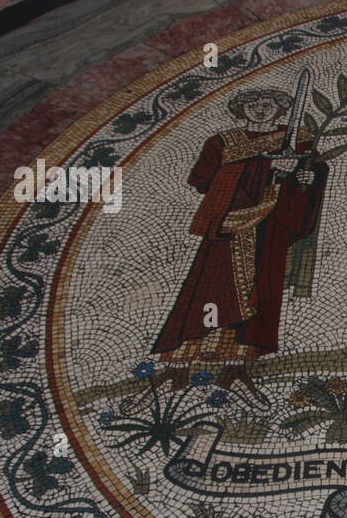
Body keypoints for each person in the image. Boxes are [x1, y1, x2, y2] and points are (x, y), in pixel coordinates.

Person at [123, 87, 328, 413]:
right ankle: (174, 373)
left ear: (281, 108)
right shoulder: (221, 142)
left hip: (270, 228)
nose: (260, 109)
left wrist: (306, 175)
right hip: (227, 226)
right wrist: (269, 169)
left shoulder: (297, 140)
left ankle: (236, 372)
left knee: (259, 295)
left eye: (268, 103)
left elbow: (313, 174)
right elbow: (203, 181)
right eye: (253, 103)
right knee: (205, 292)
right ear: (240, 108)